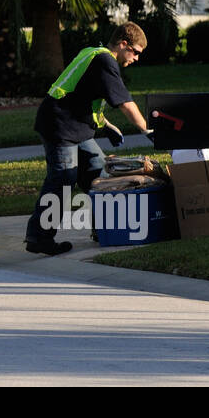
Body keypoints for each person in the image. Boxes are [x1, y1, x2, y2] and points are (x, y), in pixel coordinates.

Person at [25, 22, 153, 255]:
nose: (136, 58)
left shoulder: (92, 53)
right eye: (135, 52)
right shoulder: (105, 60)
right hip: (60, 126)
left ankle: (103, 229)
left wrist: (107, 125)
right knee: (63, 179)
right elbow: (125, 103)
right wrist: (146, 129)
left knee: (99, 172)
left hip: (77, 127)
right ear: (123, 44)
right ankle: (38, 237)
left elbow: (83, 96)